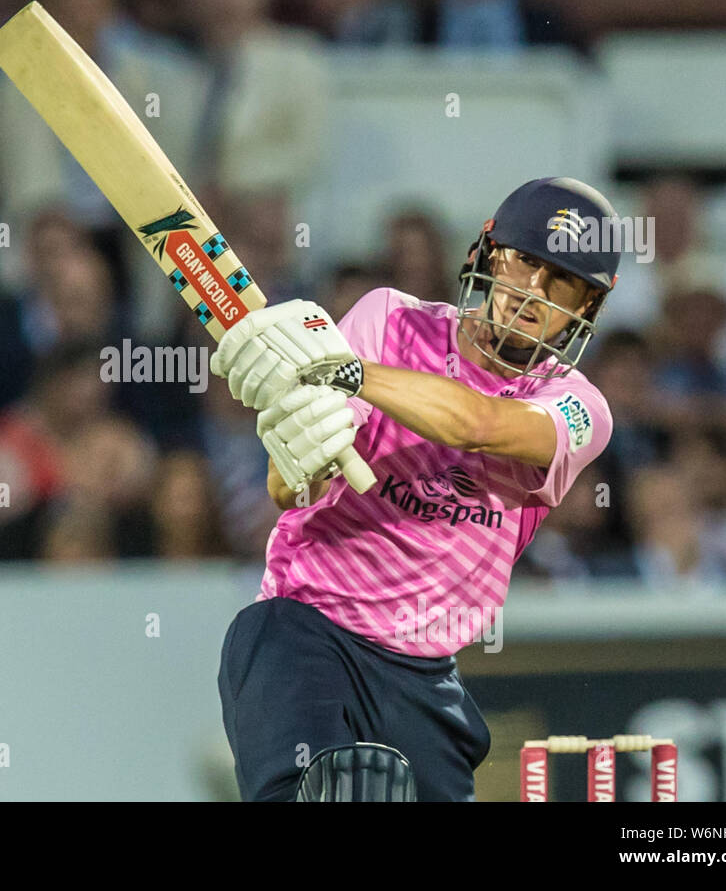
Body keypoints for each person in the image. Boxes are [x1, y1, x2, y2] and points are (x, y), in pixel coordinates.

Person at [209, 177, 619, 801]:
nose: (531, 294)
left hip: (425, 680)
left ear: (587, 306)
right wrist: (298, 440)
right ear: (488, 254)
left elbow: (482, 425)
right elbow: (286, 490)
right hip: (308, 633)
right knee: (323, 787)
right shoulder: (389, 319)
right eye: (525, 262)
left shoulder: (578, 406)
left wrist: (346, 372)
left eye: (560, 281)